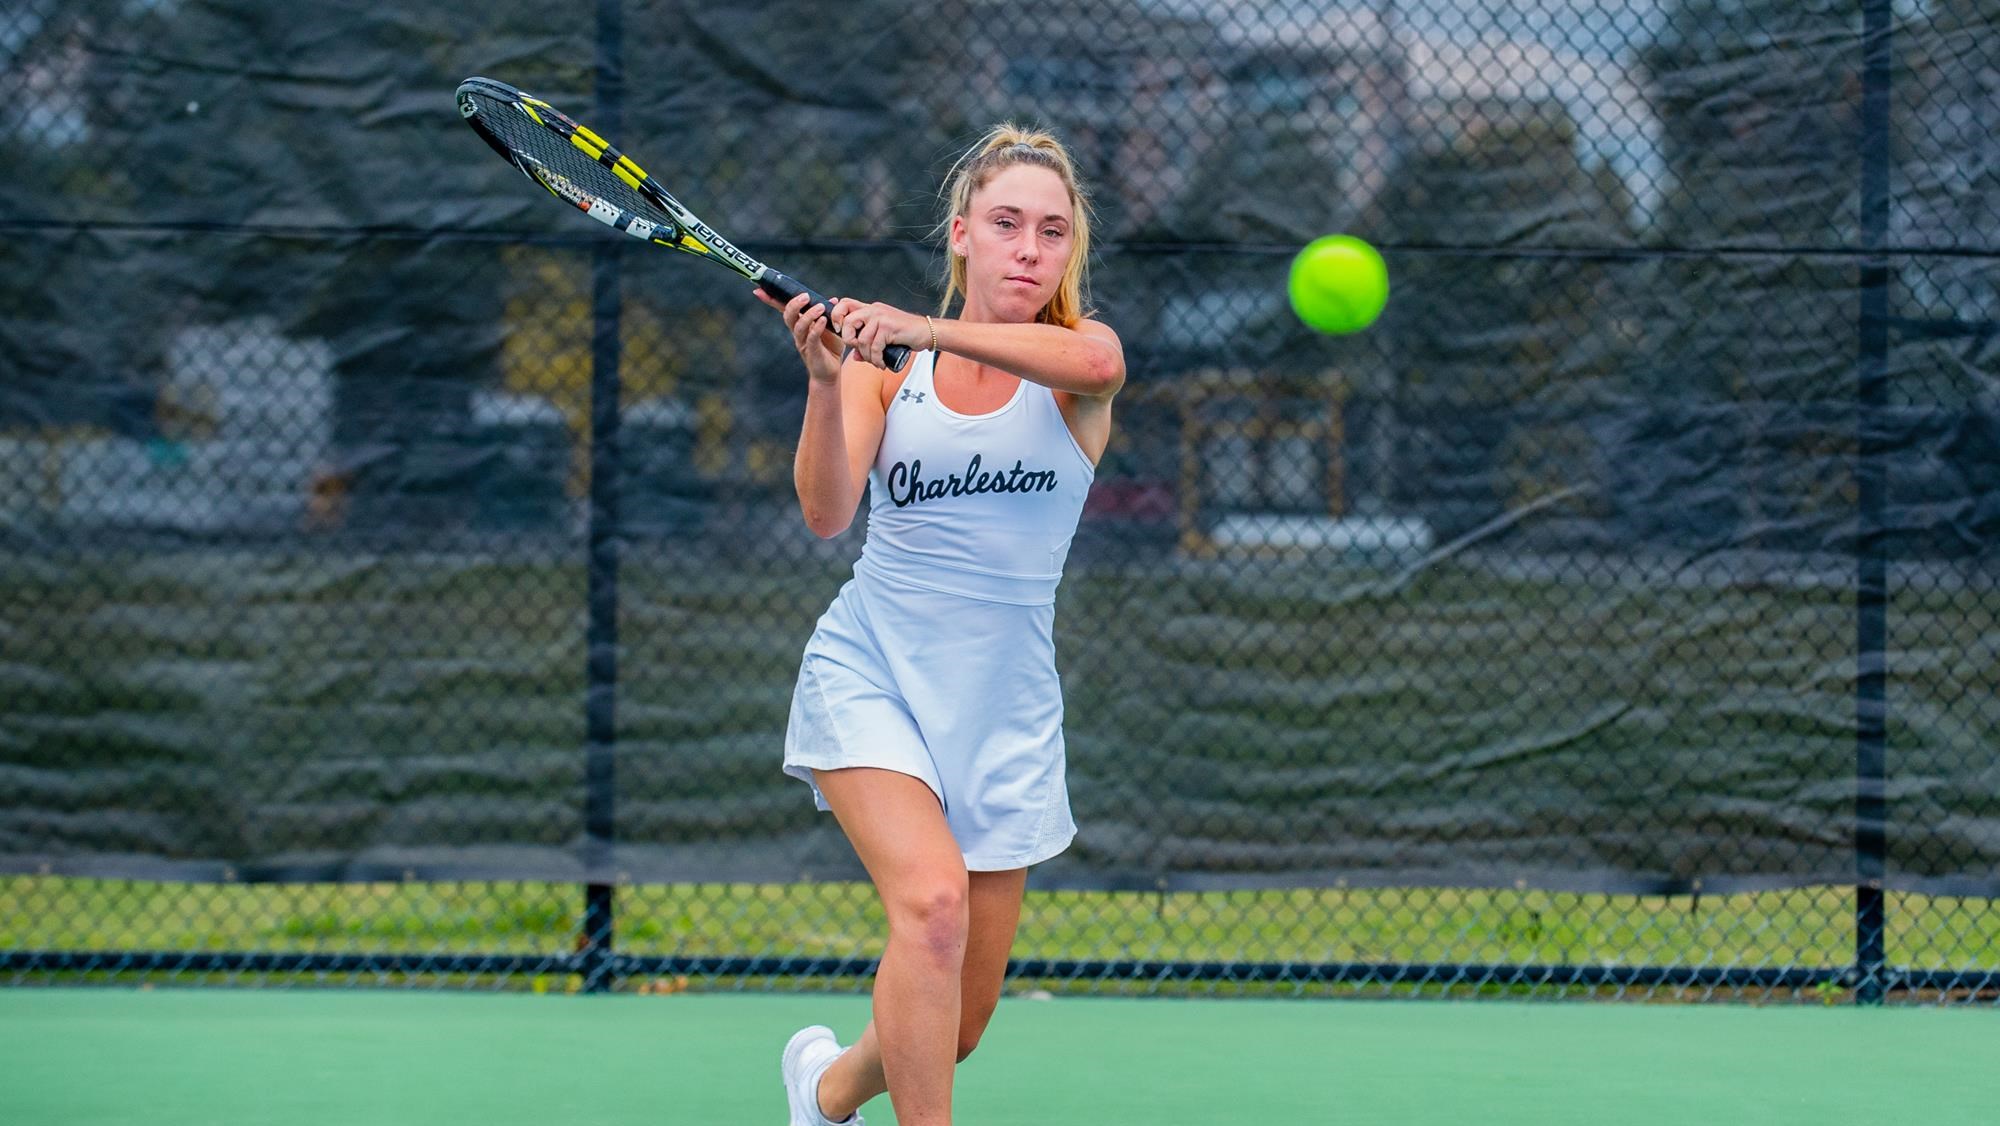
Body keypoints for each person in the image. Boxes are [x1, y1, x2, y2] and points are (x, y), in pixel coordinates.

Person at [752, 123, 1124, 1126]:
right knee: (930, 906)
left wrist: (925, 325)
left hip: (1003, 712)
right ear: (961, 233)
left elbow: (1092, 355)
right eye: (1004, 223)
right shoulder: (884, 372)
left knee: (955, 1022)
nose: (1027, 248)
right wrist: (830, 383)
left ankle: (822, 1092)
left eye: (1050, 231)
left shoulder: (1075, 368)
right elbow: (826, 513)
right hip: (870, 674)